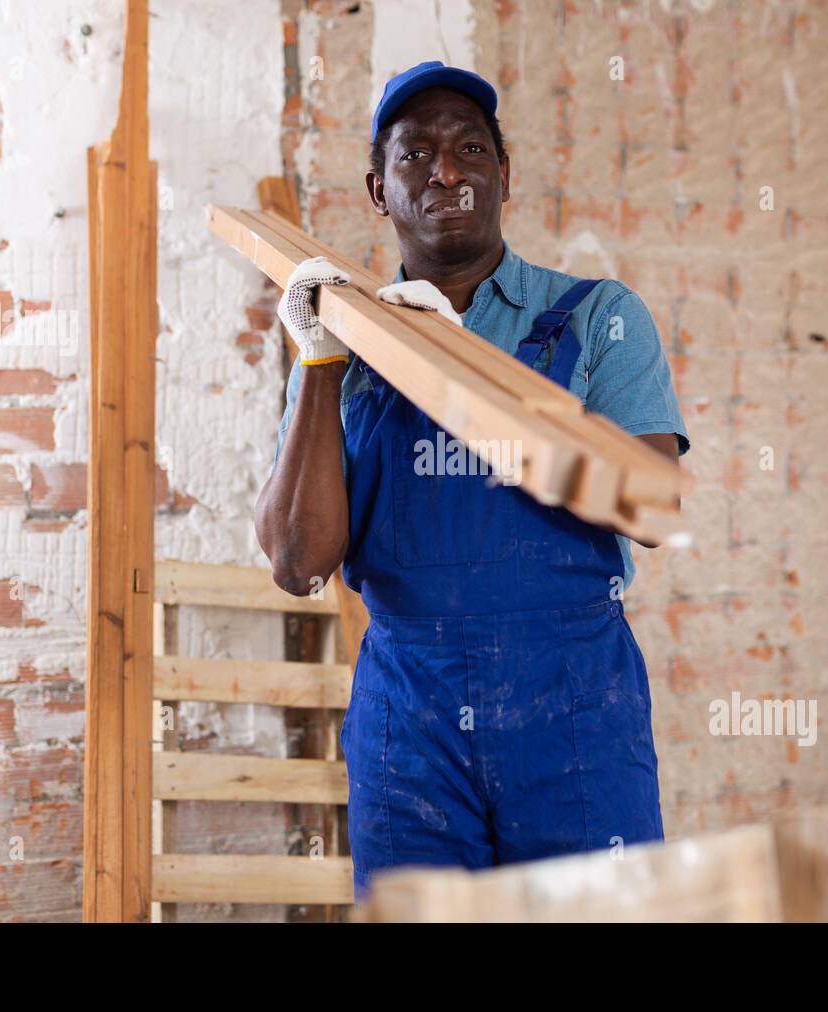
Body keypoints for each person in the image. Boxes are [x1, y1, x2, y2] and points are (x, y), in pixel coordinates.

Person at [255, 61, 690, 897]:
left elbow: (653, 504)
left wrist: (465, 367)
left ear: (504, 173)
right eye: (416, 155)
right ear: (379, 190)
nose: (446, 171)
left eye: (470, 148)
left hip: (574, 714)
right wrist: (320, 356)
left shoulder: (600, 317)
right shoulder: (347, 350)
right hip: (410, 725)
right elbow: (298, 564)